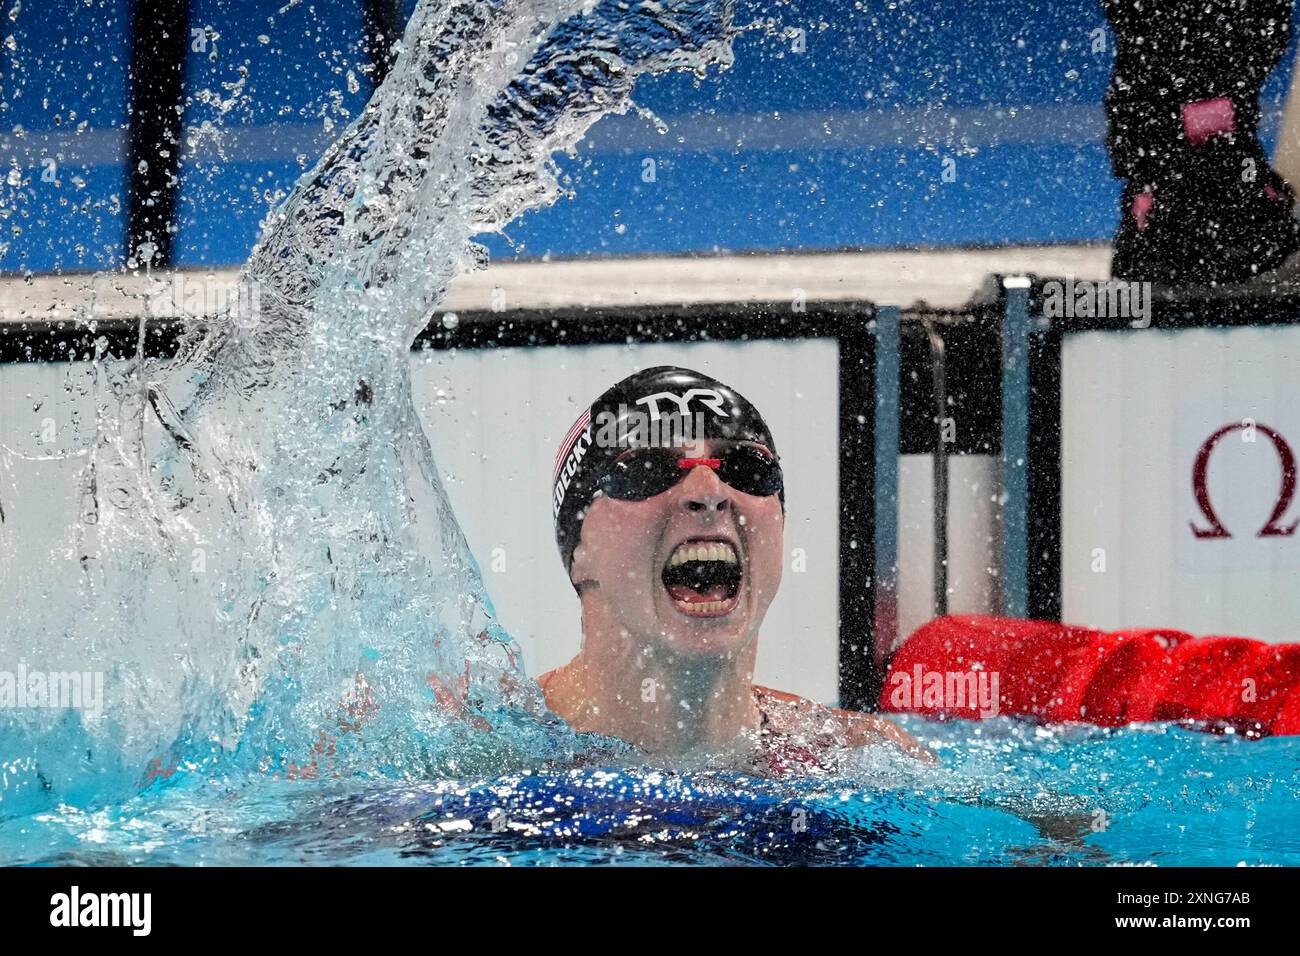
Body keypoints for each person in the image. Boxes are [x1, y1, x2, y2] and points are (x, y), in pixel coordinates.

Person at [537, 366, 931, 775]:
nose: (708, 492)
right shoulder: (488, 752)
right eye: (648, 471)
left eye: (747, 469)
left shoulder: (863, 758)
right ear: (579, 549)